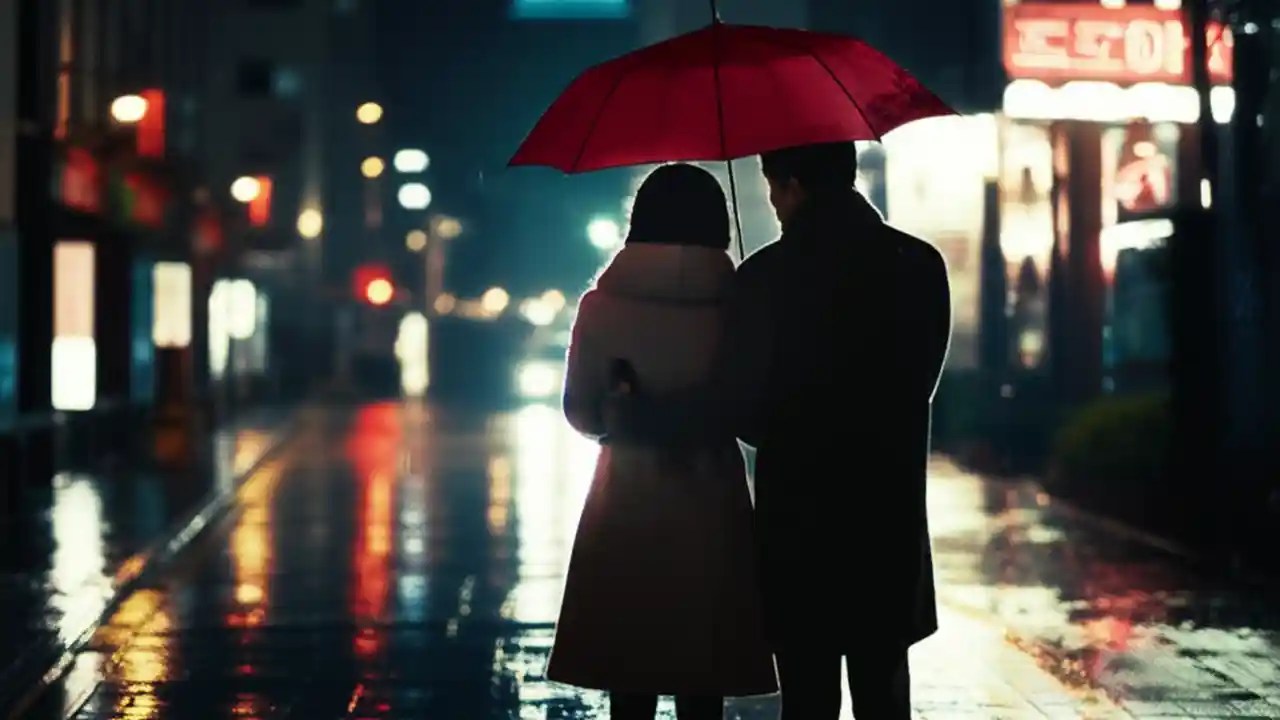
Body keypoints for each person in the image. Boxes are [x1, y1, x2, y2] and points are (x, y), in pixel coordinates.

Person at [617, 142, 951, 718]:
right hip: (887, 511)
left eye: (772, 187)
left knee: (807, 688)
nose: (772, 202)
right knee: (885, 681)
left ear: (791, 183)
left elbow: (741, 409)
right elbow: (920, 384)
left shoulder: (766, 276)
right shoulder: (920, 264)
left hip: (798, 521)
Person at [546, 163, 778, 719]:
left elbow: (580, 412)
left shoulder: (602, 306)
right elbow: (752, 412)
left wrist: (625, 408)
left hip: (627, 498)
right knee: (703, 675)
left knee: (631, 667)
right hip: (711, 498)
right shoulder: (738, 303)